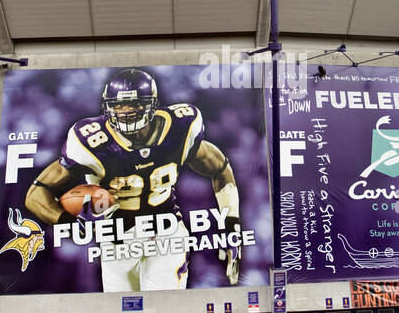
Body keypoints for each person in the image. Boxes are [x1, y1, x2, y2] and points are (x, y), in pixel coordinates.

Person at [23, 68, 241, 291]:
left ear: (152, 104)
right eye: (118, 106)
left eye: (134, 104)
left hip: (166, 235)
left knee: (162, 308)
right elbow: (37, 194)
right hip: (116, 242)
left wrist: (232, 225)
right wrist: (72, 226)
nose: (125, 112)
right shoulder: (91, 141)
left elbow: (221, 170)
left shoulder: (180, 128)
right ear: (108, 106)